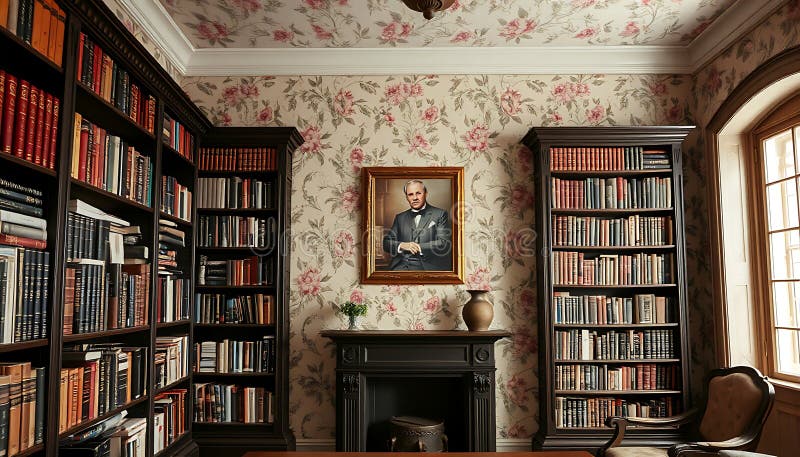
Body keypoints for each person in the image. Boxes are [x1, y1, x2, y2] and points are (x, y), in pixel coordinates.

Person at [382, 179, 452, 271]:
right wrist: (402, 245)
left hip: (427, 267)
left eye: (418, 193)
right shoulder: (400, 217)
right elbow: (386, 243)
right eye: (410, 194)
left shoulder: (440, 214)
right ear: (407, 197)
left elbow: (444, 243)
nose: (414, 198)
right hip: (400, 267)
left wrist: (419, 247)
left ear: (426, 193)